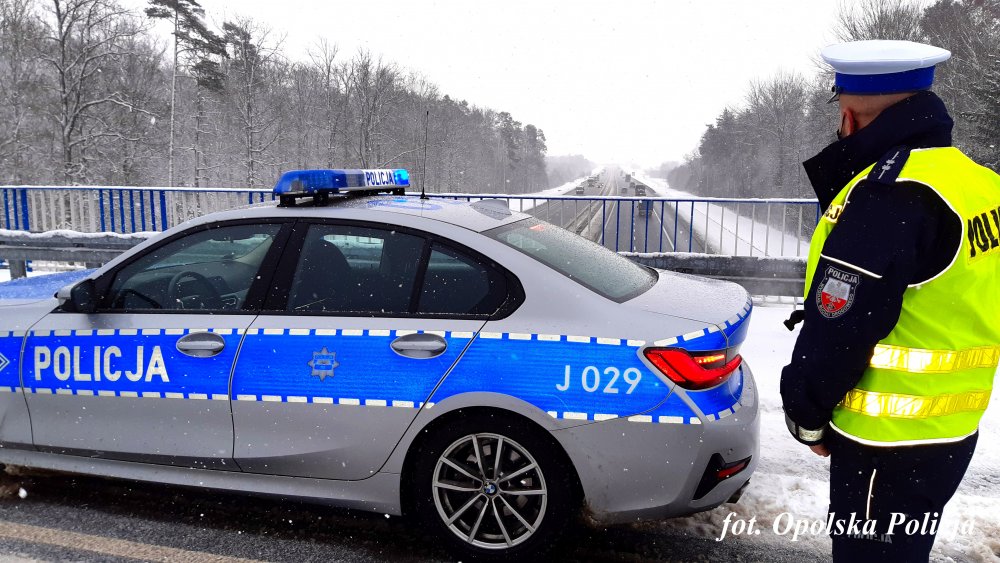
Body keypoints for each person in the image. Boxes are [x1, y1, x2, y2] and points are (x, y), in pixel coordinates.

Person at [780, 39, 1000, 562]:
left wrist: (806, 413)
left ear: (851, 116)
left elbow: (842, 327)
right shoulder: (980, 184)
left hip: (884, 443)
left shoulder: (888, 196)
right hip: (952, 431)